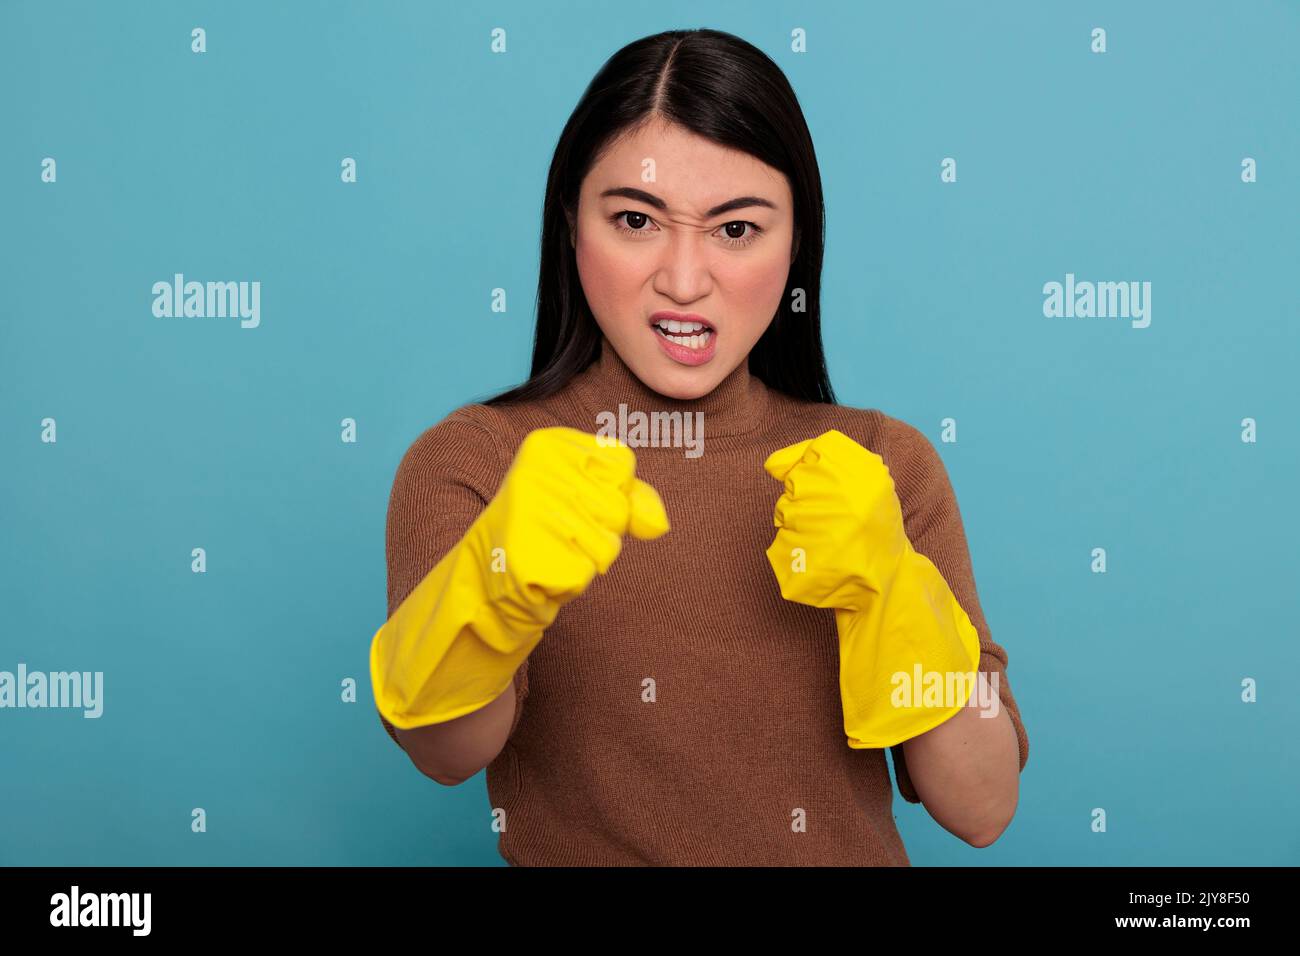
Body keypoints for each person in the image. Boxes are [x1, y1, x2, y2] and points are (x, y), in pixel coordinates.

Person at [369, 28, 1029, 866]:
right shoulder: (476, 461)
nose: (683, 281)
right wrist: (494, 585)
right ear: (571, 223)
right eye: (635, 220)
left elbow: (981, 808)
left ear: (796, 242)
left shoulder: (879, 464)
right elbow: (442, 754)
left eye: (736, 229)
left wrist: (895, 593)